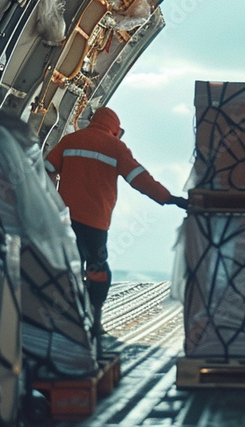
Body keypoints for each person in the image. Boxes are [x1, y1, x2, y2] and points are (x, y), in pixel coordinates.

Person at [45, 106, 188, 336]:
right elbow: (140, 179)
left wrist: (51, 201)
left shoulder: (70, 140)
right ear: (115, 129)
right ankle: (95, 320)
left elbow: (47, 168)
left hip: (66, 219)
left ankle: (61, 319)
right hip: (95, 223)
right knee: (97, 269)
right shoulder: (115, 148)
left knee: (68, 267)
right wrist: (170, 199)